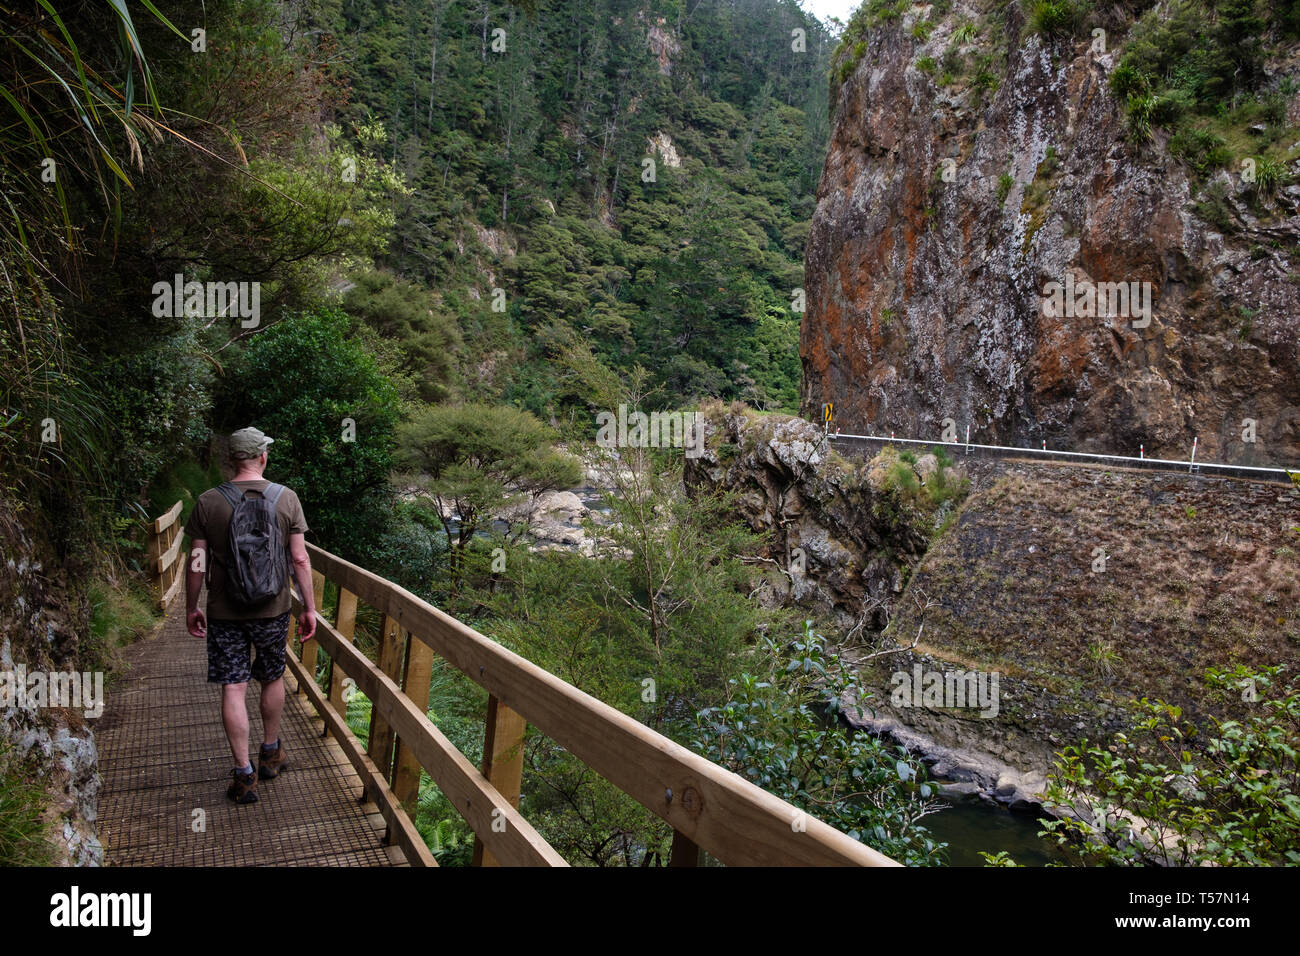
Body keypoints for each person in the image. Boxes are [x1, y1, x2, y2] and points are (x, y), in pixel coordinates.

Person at [184, 427, 317, 804]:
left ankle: (244, 774)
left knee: (234, 685)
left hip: (225, 611)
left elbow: (197, 561)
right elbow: (300, 558)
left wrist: (192, 606)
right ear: (262, 457)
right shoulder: (285, 498)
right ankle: (271, 751)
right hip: (273, 608)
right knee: (272, 676)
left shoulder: (209, 501)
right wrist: (309, 607)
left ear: (231, 460)